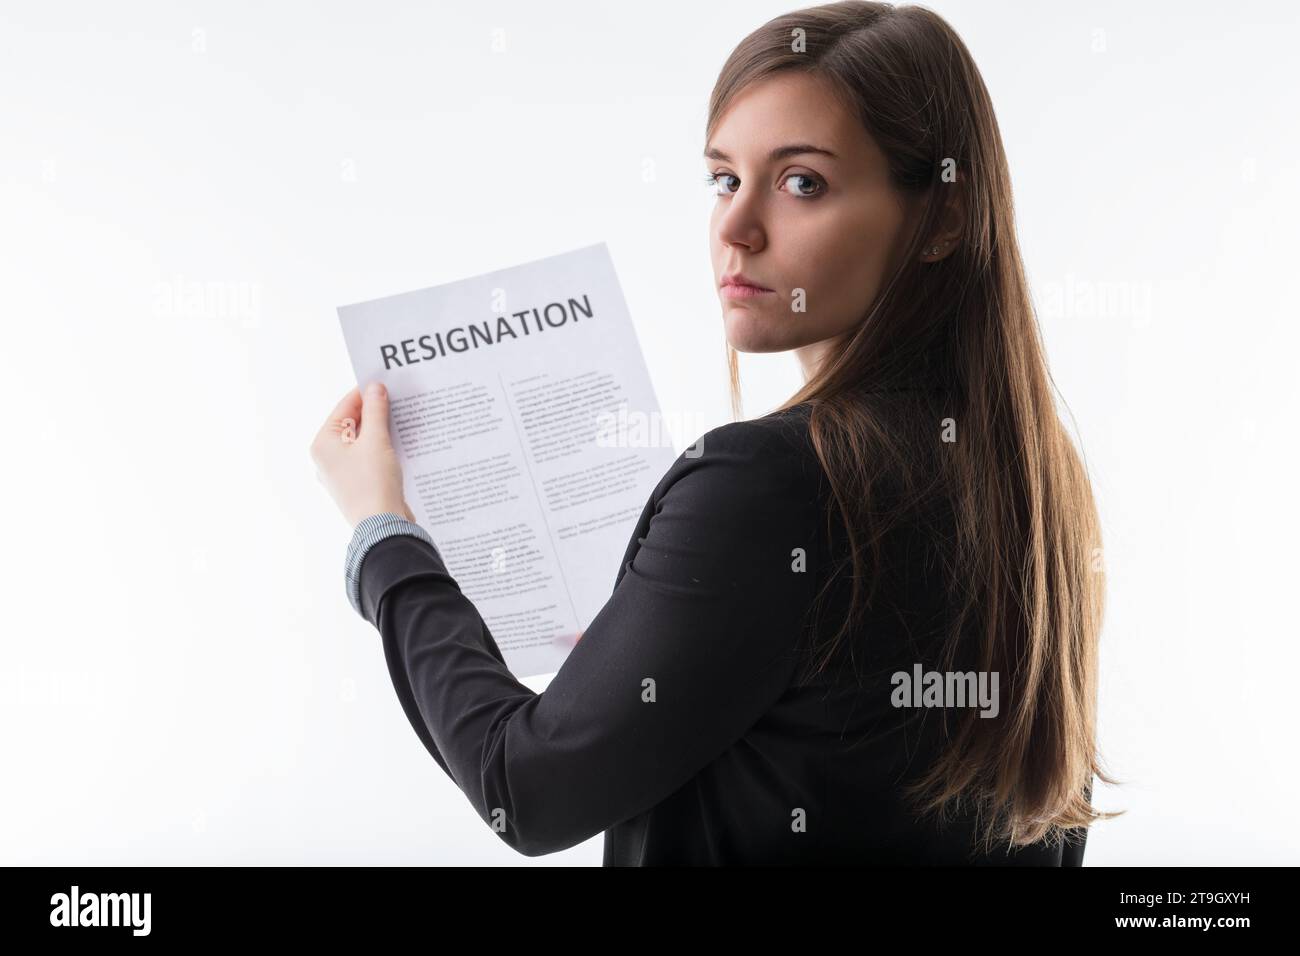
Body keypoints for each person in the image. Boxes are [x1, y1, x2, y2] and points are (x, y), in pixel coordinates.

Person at [310, 0, 1117, 865]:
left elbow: (525, 790)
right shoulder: (1035, 475)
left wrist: (385, 540)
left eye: (802, 182)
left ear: (944, 220)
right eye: (724, 179)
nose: (735, 230)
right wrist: (657, 646)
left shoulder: (767, 483)